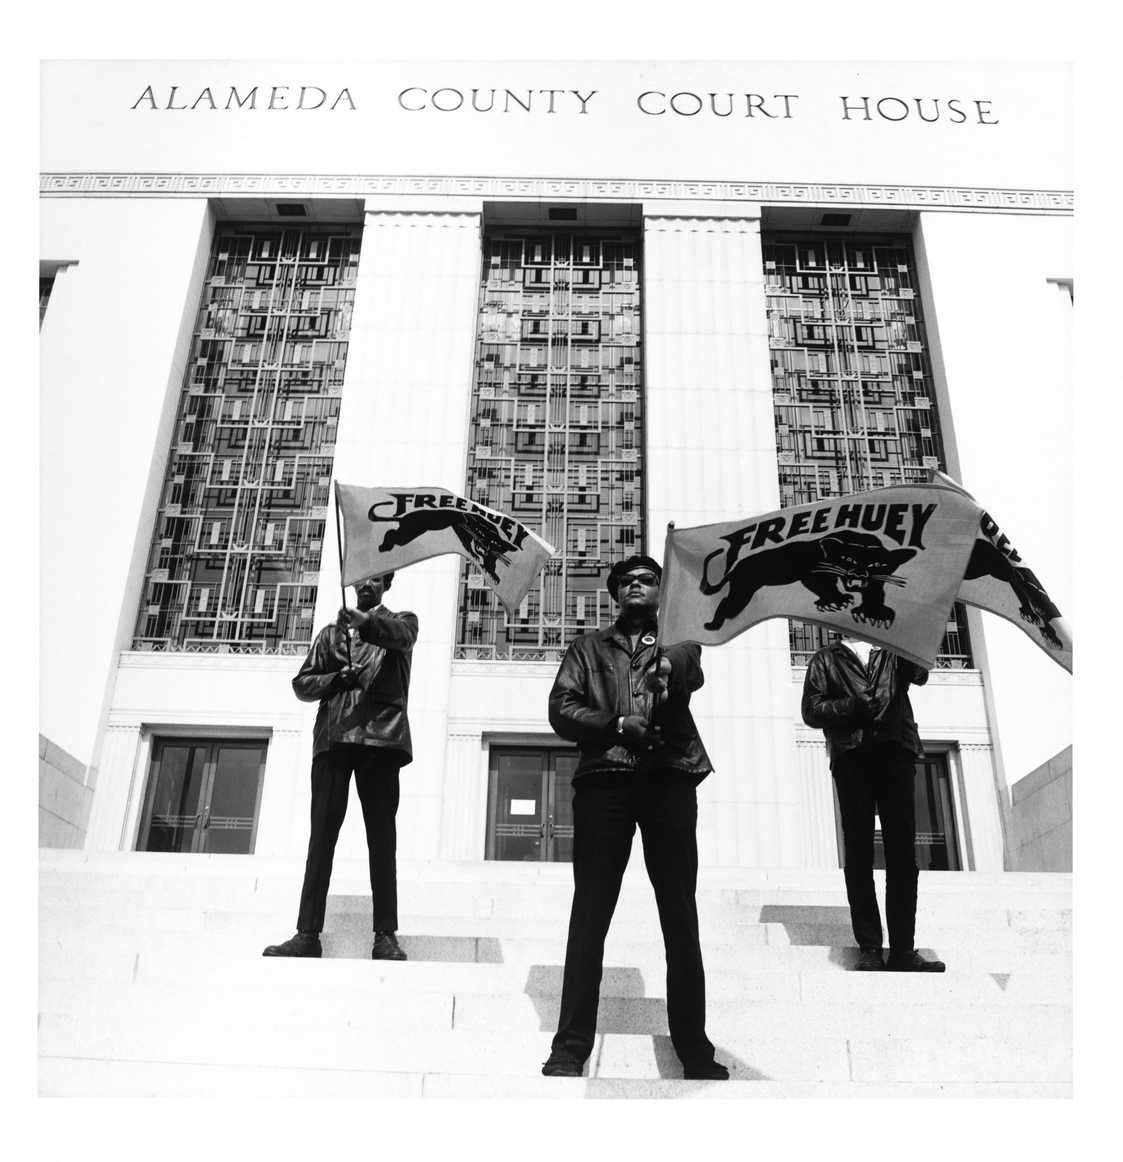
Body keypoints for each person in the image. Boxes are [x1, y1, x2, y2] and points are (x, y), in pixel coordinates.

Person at [541, 555, 729, 1081]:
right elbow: (562, 708)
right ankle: (570, 1046)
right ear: (615, 594)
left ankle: (694, 1049)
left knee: (679, 914)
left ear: (661, 591)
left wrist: (666, 666)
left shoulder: (680, 641)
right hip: (605, 780)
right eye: (626, 582)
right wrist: (617, 724)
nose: (635, 587)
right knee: (590, 913)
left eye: (646, 580)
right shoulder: (586, 648)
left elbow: (690, 668)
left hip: (669, 777)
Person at [263, 572, 418, 962]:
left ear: (386, 584)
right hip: (333, 739)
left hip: (380, 739)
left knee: (382, 840)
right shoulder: (330, 635)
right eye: (361, 579)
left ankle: (385, 935)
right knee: (321, 838)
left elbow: (401, 638)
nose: (366, 585)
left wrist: (364, 622)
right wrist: (335, 679)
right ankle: (307, 934)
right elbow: (302, 683)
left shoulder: (402, 621)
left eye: (375, 580)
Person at [801, 633, 945, 973]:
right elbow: (811, 710)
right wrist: (850, 706)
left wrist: (902, 639)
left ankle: (903, 950)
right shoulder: (826, 658)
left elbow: (920, 674)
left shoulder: (894, 649)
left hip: (896, 751)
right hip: (851, 757)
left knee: (902, 855)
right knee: (859, 854)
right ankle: (869, 948)